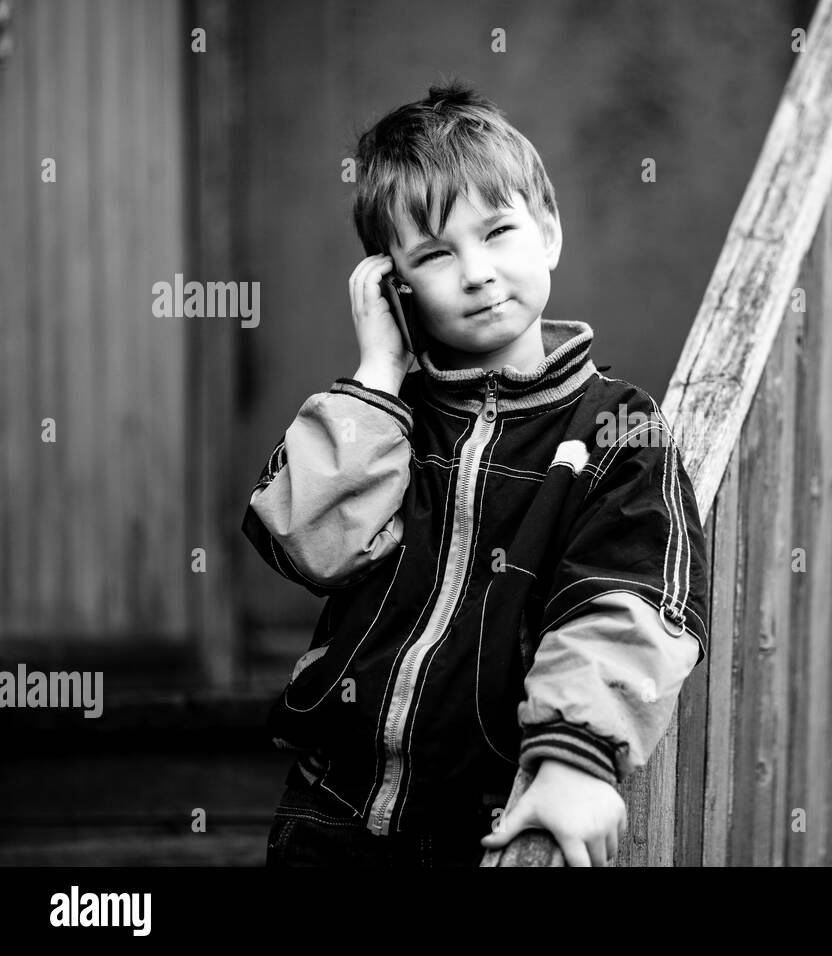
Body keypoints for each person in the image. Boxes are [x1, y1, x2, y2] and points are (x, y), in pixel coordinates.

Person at [242, 80, 710, 867]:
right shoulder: (381, 421)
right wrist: (378, 375)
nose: (477, 273)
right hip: (329, 812)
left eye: (497, 232)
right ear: (393, 287)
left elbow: (625, 602)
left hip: (485, 822)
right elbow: (307, 542)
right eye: (433, 256)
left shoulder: (617, 429)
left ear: (549, 232)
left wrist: (573, 756)